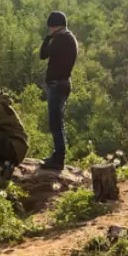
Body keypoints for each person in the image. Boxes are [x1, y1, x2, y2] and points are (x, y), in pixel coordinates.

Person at [39, 11, 78, 171]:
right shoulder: (68, 38)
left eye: (50, 27)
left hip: (57, 84)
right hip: (62, 83)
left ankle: (58, 159)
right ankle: (57, 156)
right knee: (57, 122)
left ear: (54, 26)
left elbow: (43, 54)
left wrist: (47, 38)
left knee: (56, 123)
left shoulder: (62, 39)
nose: (49, 30)